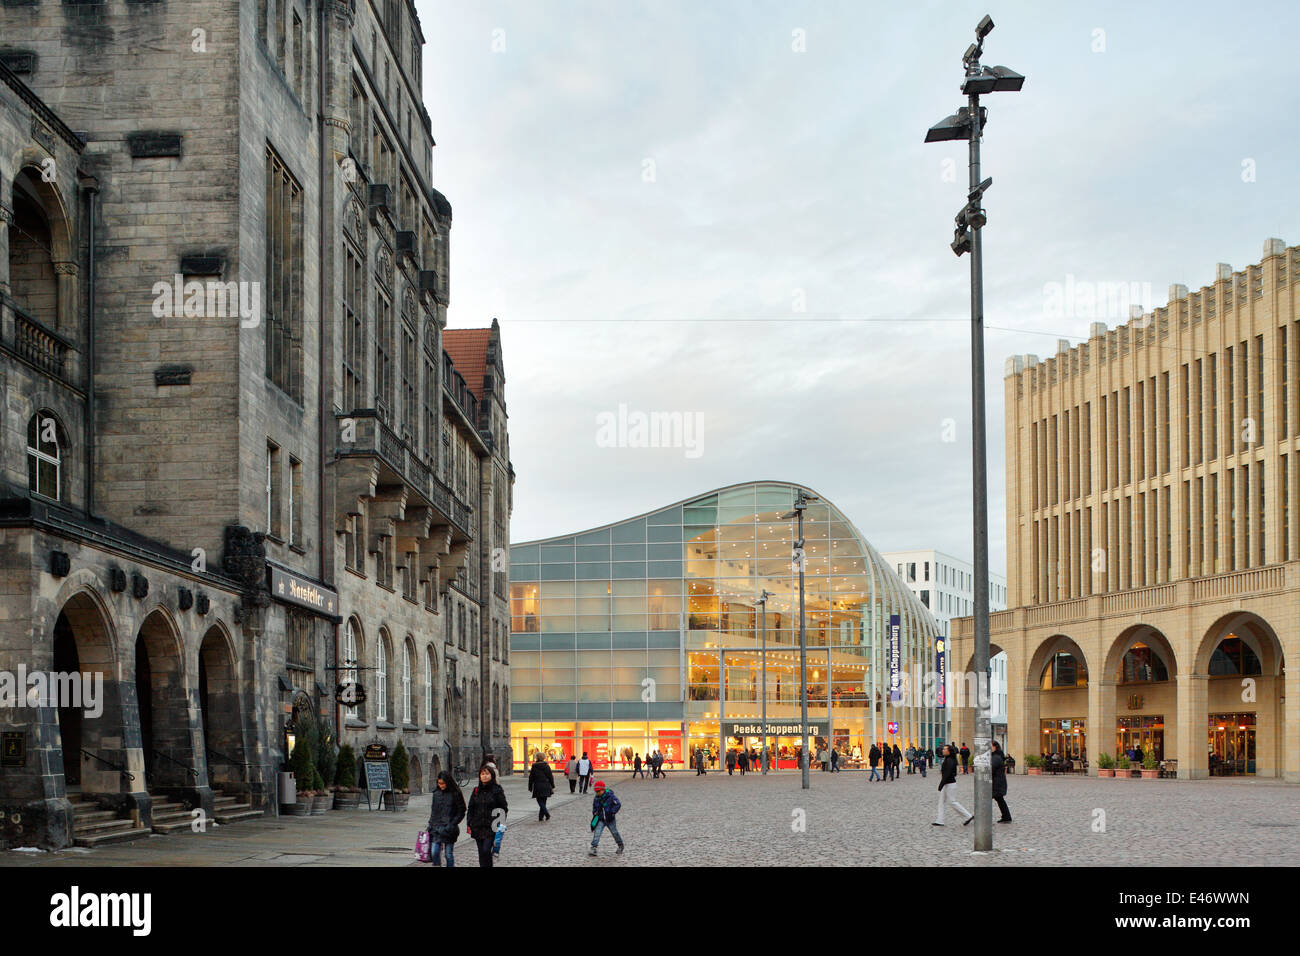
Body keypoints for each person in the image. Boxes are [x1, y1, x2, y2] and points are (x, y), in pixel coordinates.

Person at [466, 764, 509, 867]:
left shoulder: (497, 790)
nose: (484, 776)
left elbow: (503, 808)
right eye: (482, 774)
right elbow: (471, 808)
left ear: (492, 775)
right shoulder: (476, 791)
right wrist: (470, 823)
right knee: (481, 853)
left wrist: (500, 826)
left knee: (486, 850)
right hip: (478, 826)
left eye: (487, 774)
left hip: (492, 827)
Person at [426, 770, 466, 867]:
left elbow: (461, 810)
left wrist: (453, 824)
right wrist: (430, 824)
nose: (441, 786)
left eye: (443, 783)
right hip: (436, 827)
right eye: (439, 783)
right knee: (434, 852)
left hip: (449, 828)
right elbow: (434, 810)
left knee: (448, 854)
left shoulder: (455, 793)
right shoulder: (436, 793)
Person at [933, 745, 973, 827]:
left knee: (952, 802)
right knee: (942, 802)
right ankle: (940, 820)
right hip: (947, 783)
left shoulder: (950, 760)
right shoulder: (949, 759)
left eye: (944, 749)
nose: (943, 750)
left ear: (949, 751)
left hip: (949, 784)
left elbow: (947, 773)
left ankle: (968, 816)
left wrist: (941, 784)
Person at [588, 780, 625, 856]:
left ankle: (620, 845)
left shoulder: (610, 796)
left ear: (603, 790)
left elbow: (618, 804)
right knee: (597, 833)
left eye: (598, 791)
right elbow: (594, 807)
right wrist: (595, 813)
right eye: (596, 791)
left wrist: (612, 812)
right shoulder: (596, 798)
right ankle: (593, 847)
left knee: (614, 832)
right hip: (601, 819)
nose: (597, 793)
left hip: (610, 819)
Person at [527, 753, 555, 821]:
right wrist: (552, 785)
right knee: (544, 801)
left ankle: (545, 814)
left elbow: (531, 778)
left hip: (537, 785)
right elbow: (550, 776)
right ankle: (541, 816)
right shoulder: (546, 766)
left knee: (539, 800)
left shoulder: (534, 766)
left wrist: (530, 787)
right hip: (546, 784)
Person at [991, 740, 1012, 823]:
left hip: (997, 782)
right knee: (999, 799)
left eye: (990, 746)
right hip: (997, 782)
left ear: (995, 747)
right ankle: (1006, 816)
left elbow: (991, 768)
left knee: (988, 799)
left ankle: (980, 816)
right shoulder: (995, 756)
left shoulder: (996, 757)